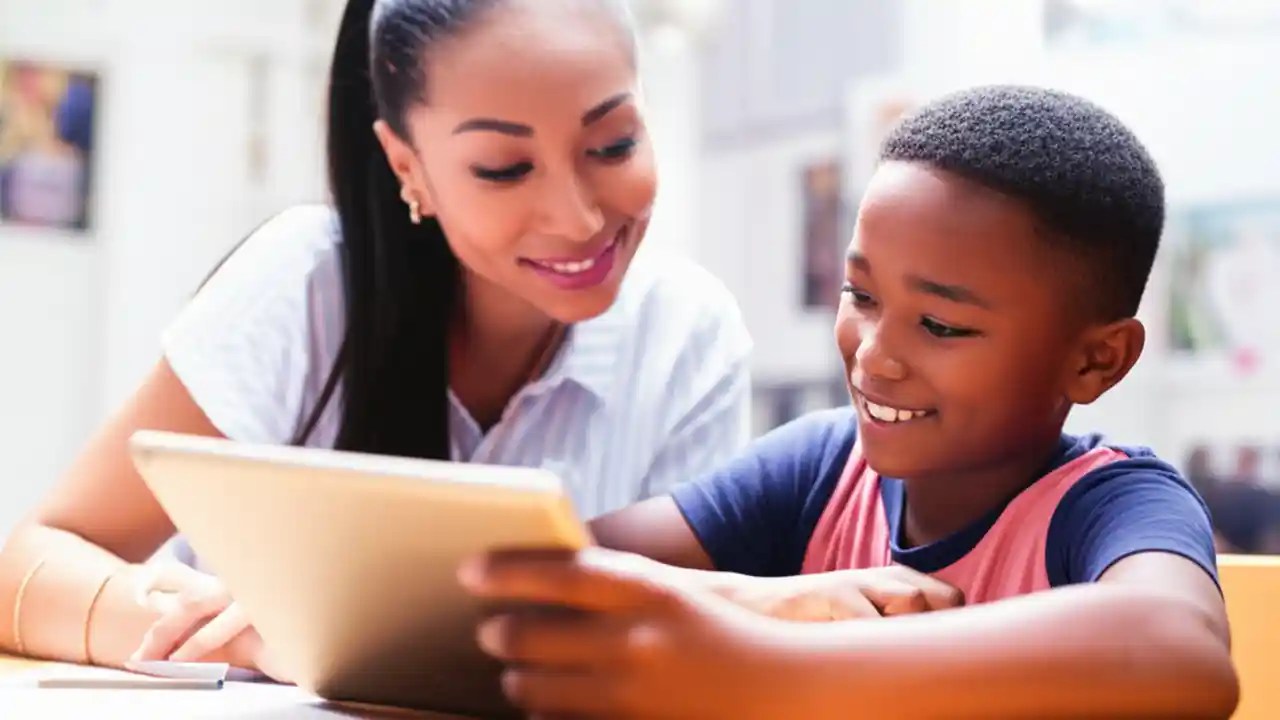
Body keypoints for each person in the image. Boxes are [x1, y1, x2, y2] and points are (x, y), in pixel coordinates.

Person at [0, 0, 753, 678]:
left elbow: (682, 636)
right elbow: (25, 570)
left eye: (614, 144)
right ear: (408, 166)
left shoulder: (690, 338)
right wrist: (250, 636)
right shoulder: (303, 284)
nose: (578, 218)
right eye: (504, 168)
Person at [461, 86, 1240, 718]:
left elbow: (1181, 650)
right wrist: (755, 599)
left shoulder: (1111, 503)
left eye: (940, 324)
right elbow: (542, 574)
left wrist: (762, 668)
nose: (872, 353)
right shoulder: (822, 467)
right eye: (860, 293)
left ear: (1096, 359)